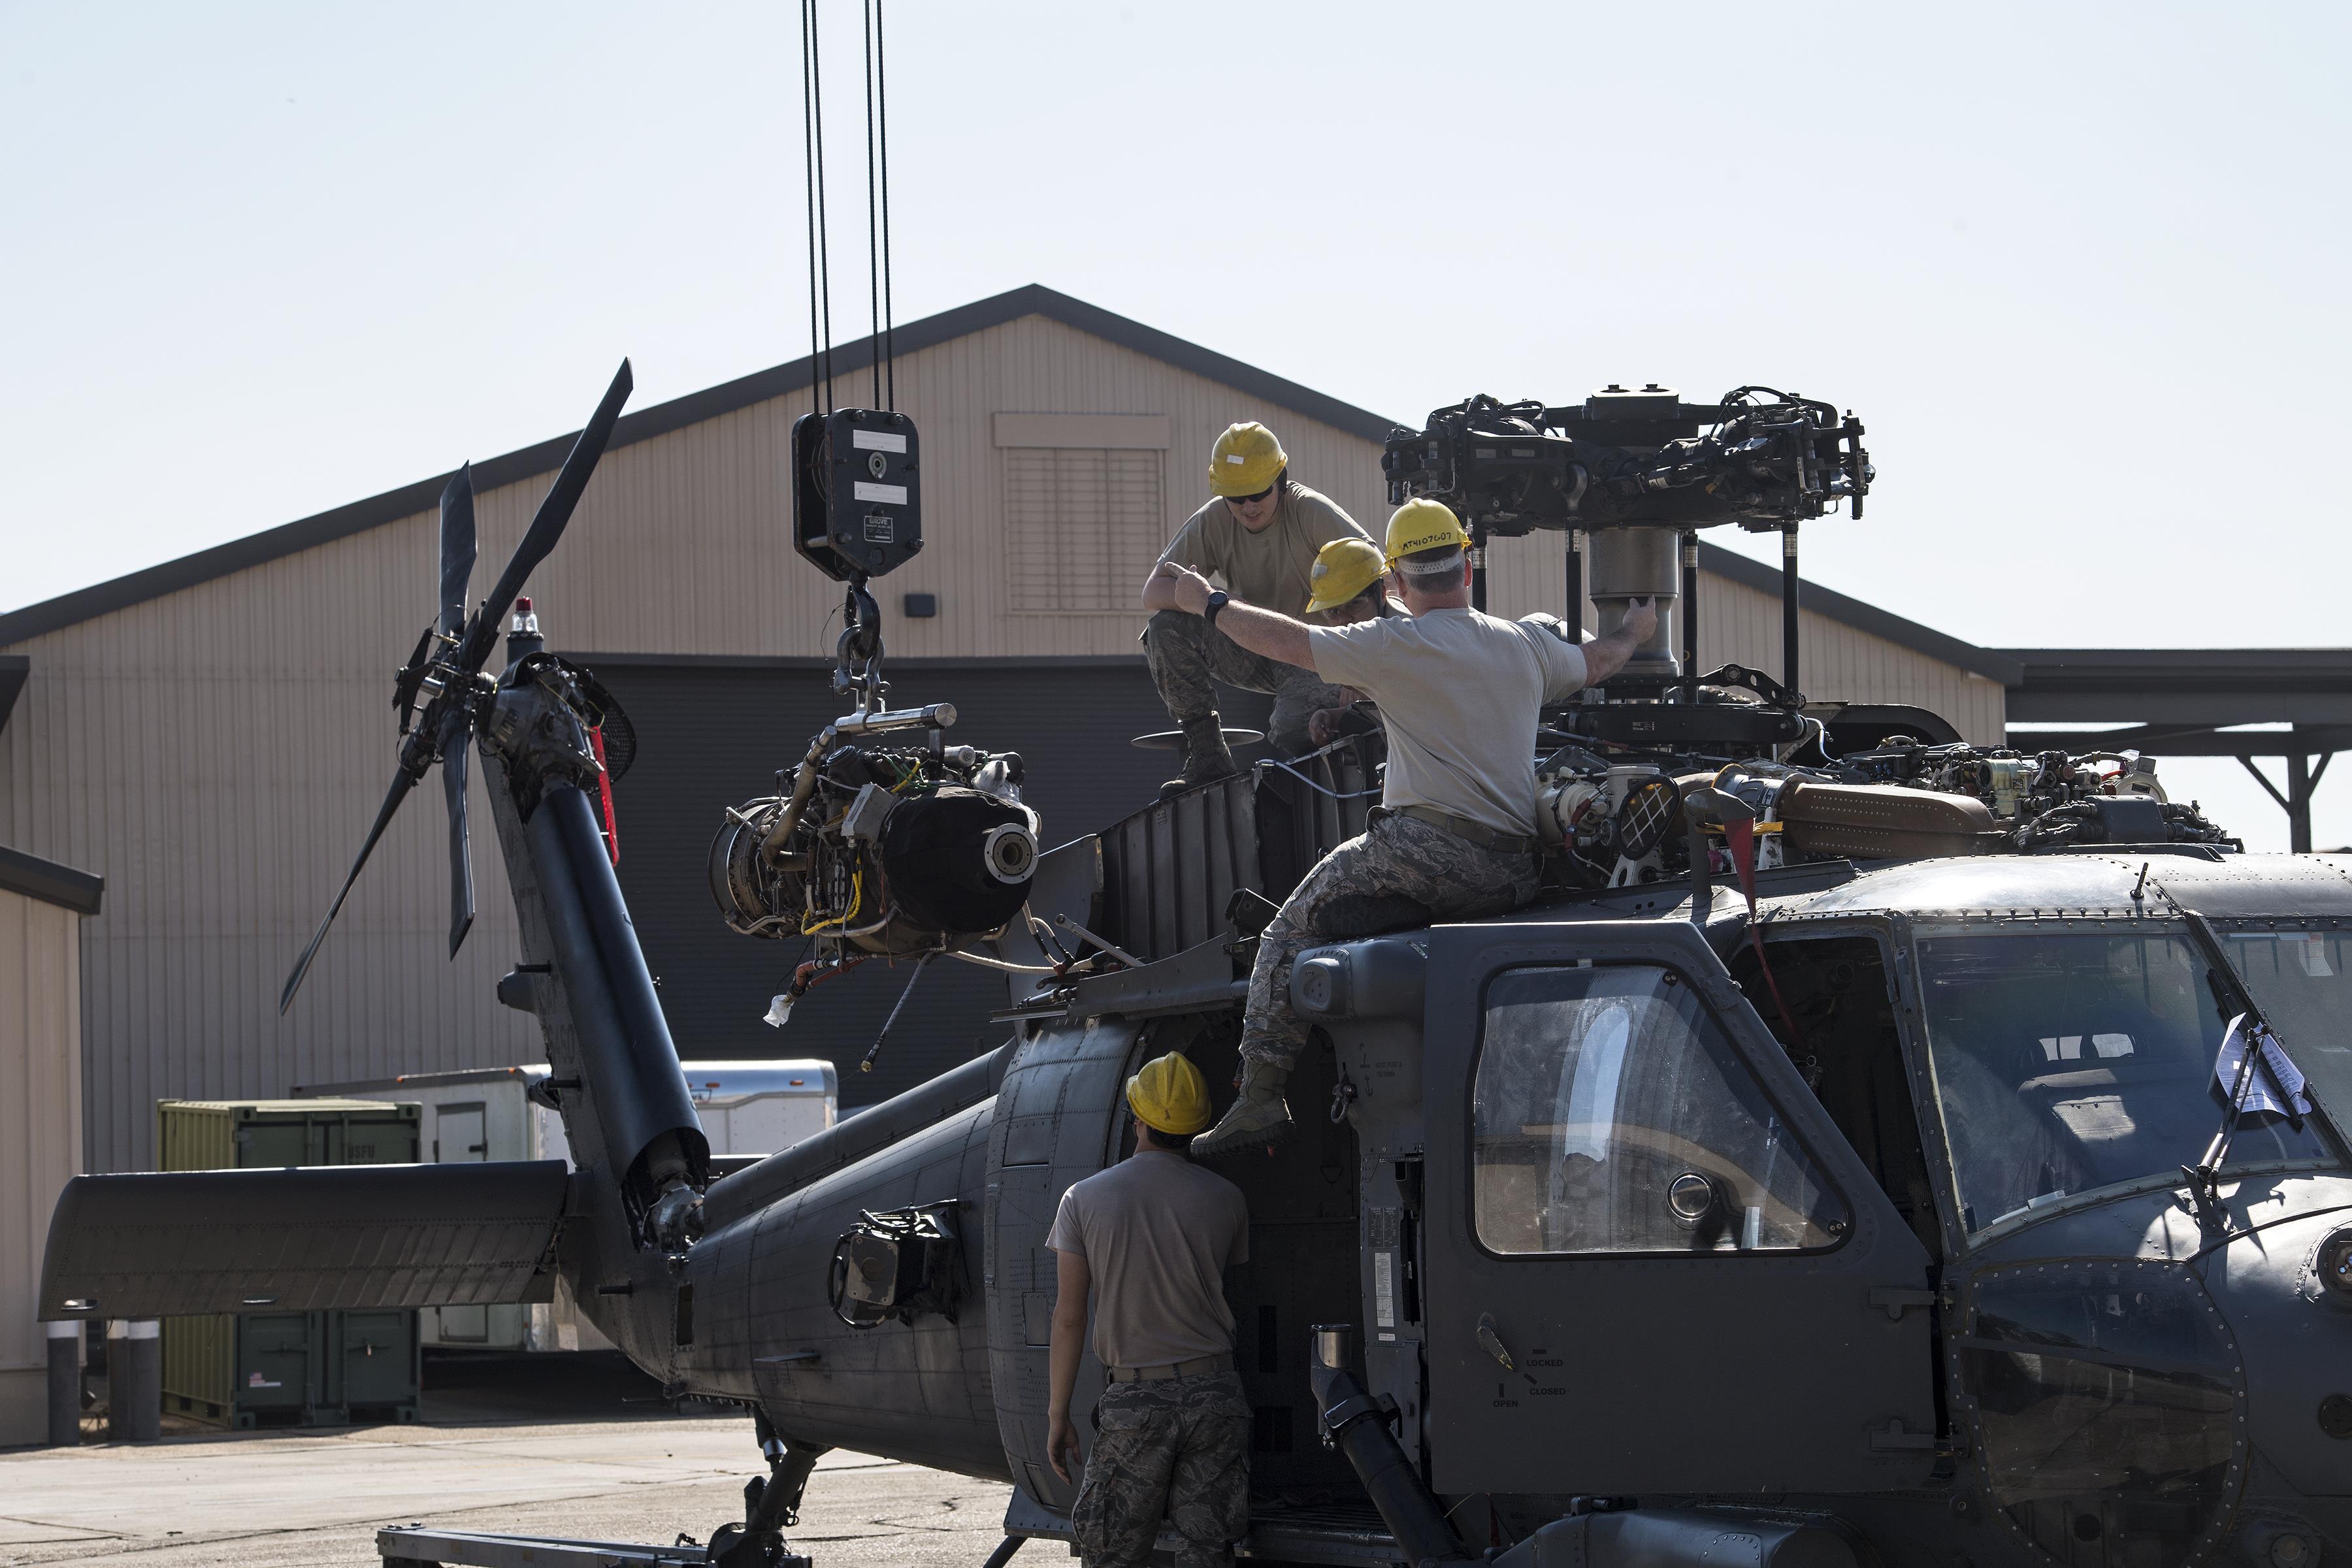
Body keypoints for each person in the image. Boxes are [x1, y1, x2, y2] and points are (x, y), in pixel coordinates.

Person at [1159, 499, 1659, 1158]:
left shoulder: (1392, 645)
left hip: (1426, 854)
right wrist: (1635, 629)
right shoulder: (1527, 645)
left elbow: (1283, 642)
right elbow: (1597, 661)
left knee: (1289, 926)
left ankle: (1259, 1095)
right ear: (1468, 568)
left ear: (1395, 584)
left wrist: (1209, 602)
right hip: (1513, 874)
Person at [1046, 1053, 1252, 1568]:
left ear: (1137, 1117)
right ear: (1196, 1125)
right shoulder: (1228, 1198)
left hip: (1137, 1400)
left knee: (1112, 1554)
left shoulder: (1083, 1199)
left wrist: (1058, 1414)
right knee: (1209, 1553)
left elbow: (1070, 1316)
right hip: (1217, 1396)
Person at [1139, 422, 1373, 791]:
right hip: (1253, 643)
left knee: (1294, 726)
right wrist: (1214, 602)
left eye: (1259, 494)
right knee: (1165, 629)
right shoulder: (1215, 519)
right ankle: (1207, 754)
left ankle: (1336, 788)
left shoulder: (1310, 511)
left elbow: (1380, 580)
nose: (1248, 507)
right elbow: (1153, 591)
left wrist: (1364, 668)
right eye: (1236, 497)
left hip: (1316, 651)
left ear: (1280, 480)